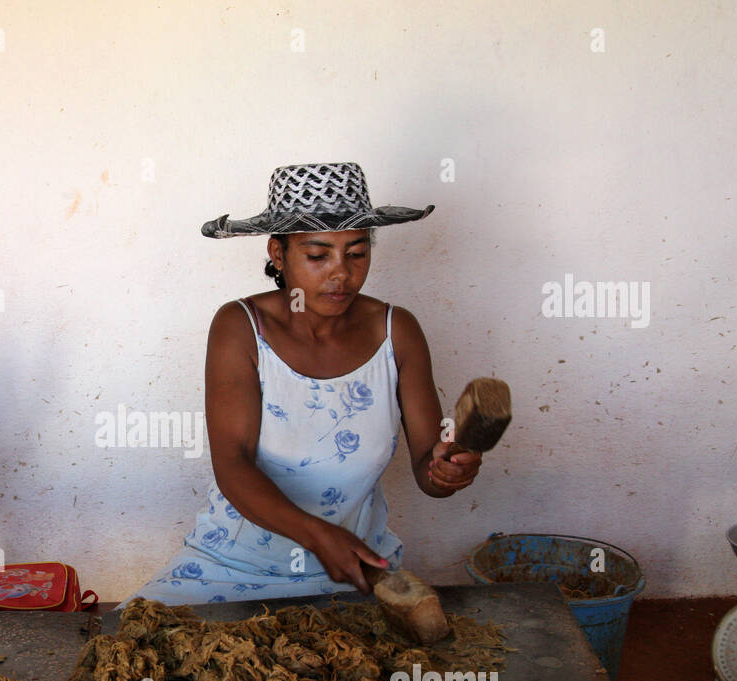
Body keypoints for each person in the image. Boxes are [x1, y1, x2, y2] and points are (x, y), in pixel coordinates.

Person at [128, 162, 482, 605]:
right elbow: (232, 465)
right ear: (278, 254)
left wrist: (448, 470)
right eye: (318, 256)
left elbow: (428, 472)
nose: (341, 274)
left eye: (356, 253)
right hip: (231, 567)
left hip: (354, 570)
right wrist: (319, 536)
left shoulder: (397, 331)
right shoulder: (241, 328)